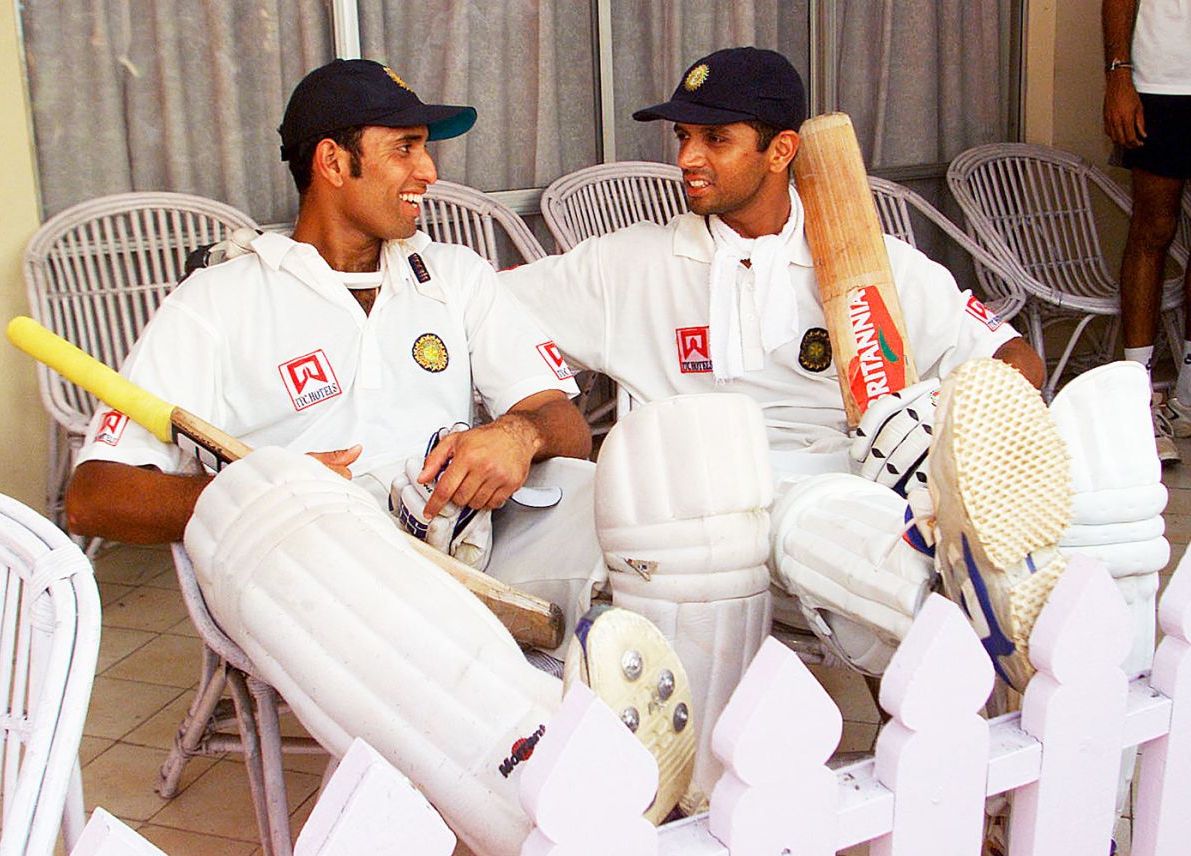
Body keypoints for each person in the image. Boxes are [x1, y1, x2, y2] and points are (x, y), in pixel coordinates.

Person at [63, 60, 697, 855]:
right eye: (405, 148)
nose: (429, 172)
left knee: (636, 504)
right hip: (301, 567)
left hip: (461, 544)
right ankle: (556, 787)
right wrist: (266, 488)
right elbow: (93, 497)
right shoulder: (218, 302)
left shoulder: (454, 278)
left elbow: (560, 416)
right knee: (316, 532)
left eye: (426, 148)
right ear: (333, 162)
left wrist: (517, 435)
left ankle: (654, 760)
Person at [504, 46, 1167, 795]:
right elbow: (487, 310)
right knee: (902, 581)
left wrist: (950, 418)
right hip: (701, 520)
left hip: (855, 492)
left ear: (782, 150)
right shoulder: (628, 267)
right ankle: (982, 616)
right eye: (682, 137)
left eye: (714, 140)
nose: (687, 158)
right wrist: (515, 416)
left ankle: (984, 700)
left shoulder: (868, 265)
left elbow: (1013, 357)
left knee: (970, 553)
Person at [1102, 0, 1191, 463]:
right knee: (1153, 229)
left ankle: (1189, 396)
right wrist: (1119, 75)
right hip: (1163, 81)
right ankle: (1137, 399)